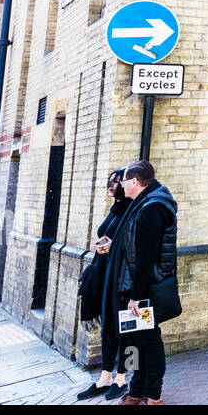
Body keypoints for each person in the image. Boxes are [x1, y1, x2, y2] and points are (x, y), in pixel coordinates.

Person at [108, 159, 178, 405]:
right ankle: (135, 391)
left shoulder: (153, 208)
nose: (121, 185)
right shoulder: (140, 205)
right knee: (132, 342)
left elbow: (147, 257)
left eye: (124, 181)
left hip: (145, 289)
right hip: (130, 286)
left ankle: (154, 395)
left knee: (149, 342)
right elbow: (134, 246)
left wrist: (136, 297)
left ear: (135, 182)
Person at [76, 169, 131, 401]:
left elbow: (135, 244)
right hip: (105, 273)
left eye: (116, 182)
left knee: (126, 330)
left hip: (122, 279)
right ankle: (105, 378)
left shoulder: (132, 209)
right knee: (108, 327)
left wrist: (114, 246)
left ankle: (122, 378)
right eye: (109, 181)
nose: (111, 185)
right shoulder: (116, 208)